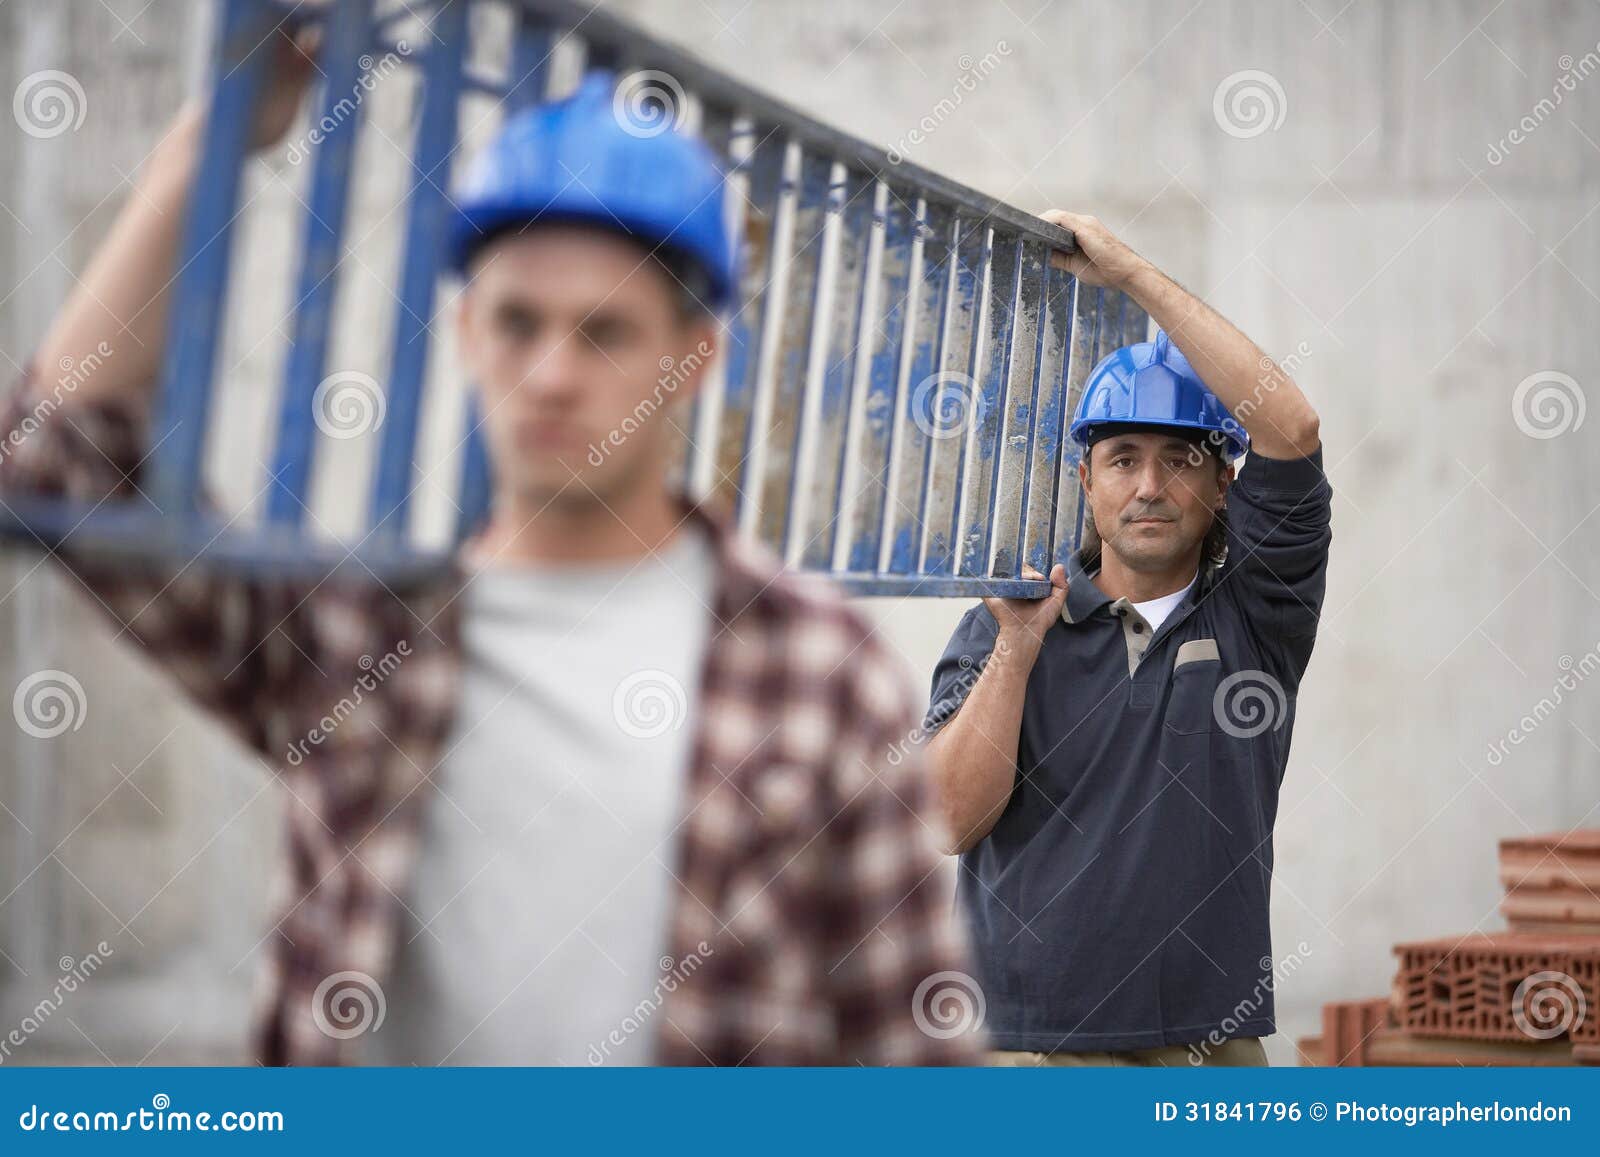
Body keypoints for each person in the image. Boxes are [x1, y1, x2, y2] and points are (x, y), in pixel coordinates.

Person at [0, 33, 976, 1066]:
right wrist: (219, 130)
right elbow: (58, 460)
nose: (551, 374)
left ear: (694, 359)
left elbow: (909, 1057)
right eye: (517, 323)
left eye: (602, 333)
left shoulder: (818, 670)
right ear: (464, 332)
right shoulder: (357, 628)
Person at [924, 210, 1331, 1066]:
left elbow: (1290, 430)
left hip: (1211, 1049)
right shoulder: (1000, 625)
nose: (1150, 485)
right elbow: (948, 822)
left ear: (1225, 480)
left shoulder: (1257, 614)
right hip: (1029, 1051)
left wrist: (1135, 278)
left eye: (1181, 459)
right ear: (1086, 478)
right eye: (1123, 458)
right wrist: (1017, 651)